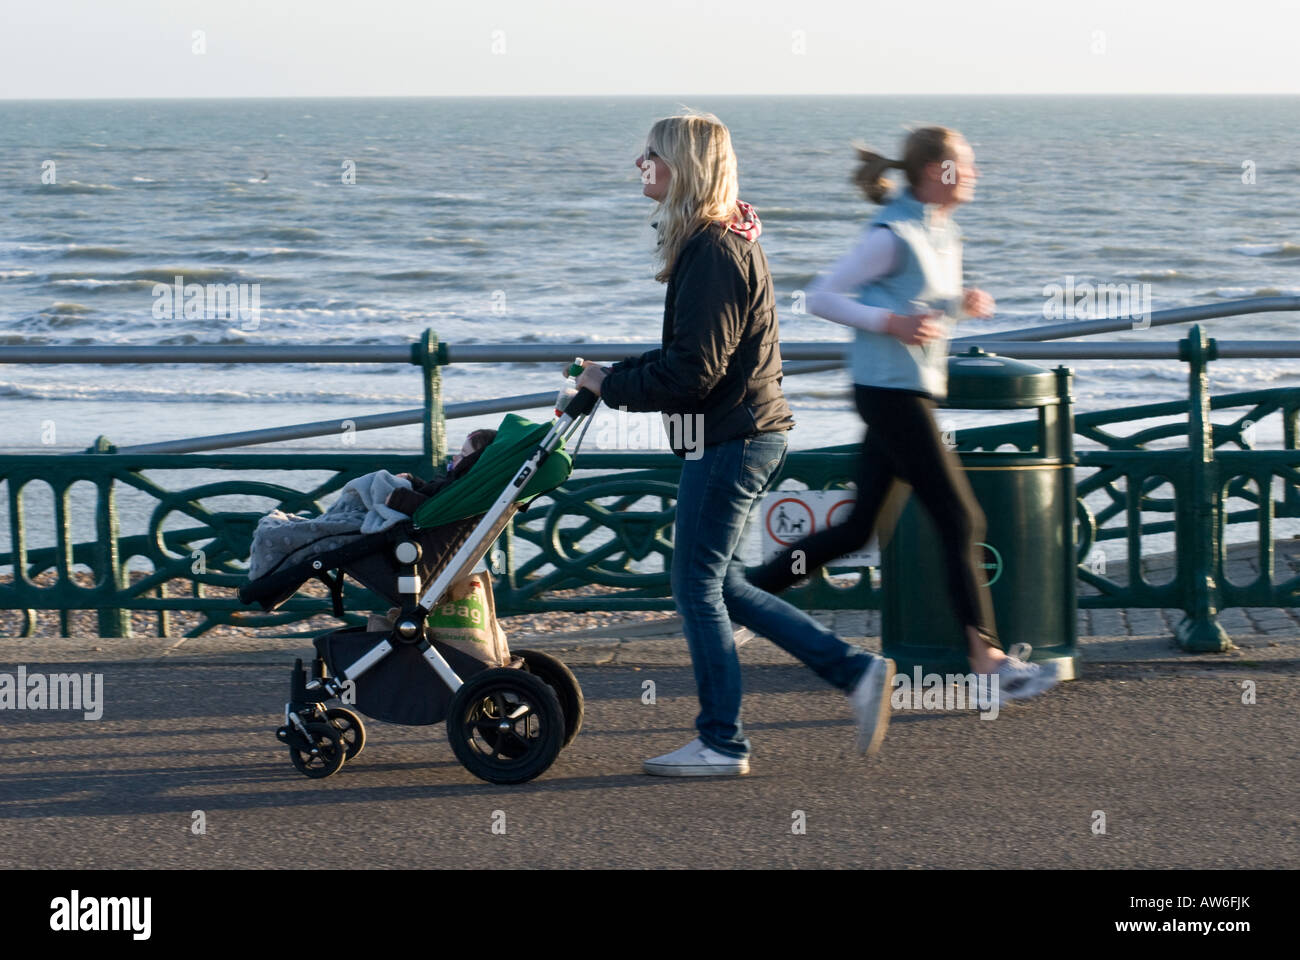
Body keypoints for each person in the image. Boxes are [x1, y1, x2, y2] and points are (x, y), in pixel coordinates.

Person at [570, 111, 897, 777]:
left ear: (683, 167)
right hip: (742, 433)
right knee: (724, 584)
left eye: (652, 153)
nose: (641, 162)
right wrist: (611, 375)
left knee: (695, 586)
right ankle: (856, 671)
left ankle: (722, 741)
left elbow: (695, 373)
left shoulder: (715, 250)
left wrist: (615, 386)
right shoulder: (716, 241)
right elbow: (689, 352)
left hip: (734, 438)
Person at [745, 126, 1058, 700]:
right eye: (966, 164)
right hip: (890, 393)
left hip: (905, 389)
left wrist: (956, 306)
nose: (974, 173)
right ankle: (987, 660)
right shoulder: (893, 233)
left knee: (857, 529)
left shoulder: (942, 232)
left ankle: (740, 598)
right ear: (935, 172)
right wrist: (891, 324)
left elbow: (915, 305)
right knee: (961, 520)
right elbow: (821, 296)